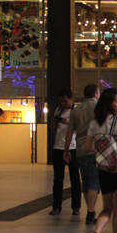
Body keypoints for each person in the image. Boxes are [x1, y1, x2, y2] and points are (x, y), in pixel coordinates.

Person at [86, 88, 117, 233]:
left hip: (103, 168)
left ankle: (97, 231)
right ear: (111, 104)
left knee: (106, 208)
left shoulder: (95, 123)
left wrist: (101, 148)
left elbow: (87, 147)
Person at [49, 88, 82, 216]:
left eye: (65, 101)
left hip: (73, 148)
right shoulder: (58, 110)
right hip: (58, 147)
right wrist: (54, 121)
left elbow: (78, 127)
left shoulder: (76, 110)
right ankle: (56, 207)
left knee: (75, 179)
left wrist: (65, 121)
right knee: (58, 179)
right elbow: (53, 129)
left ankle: (76, 207)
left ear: (71, 99)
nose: (63, 103)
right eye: (61, 101)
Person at [72, 84, 101, 223]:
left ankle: (90, 210)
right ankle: (90, 212)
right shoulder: (99, 107)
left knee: (86, 181)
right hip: (95, 148)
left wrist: (66, 150)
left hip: (80, 149)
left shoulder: (76, 110)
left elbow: (69, 132)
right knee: (94, 182)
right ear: (96, 93)